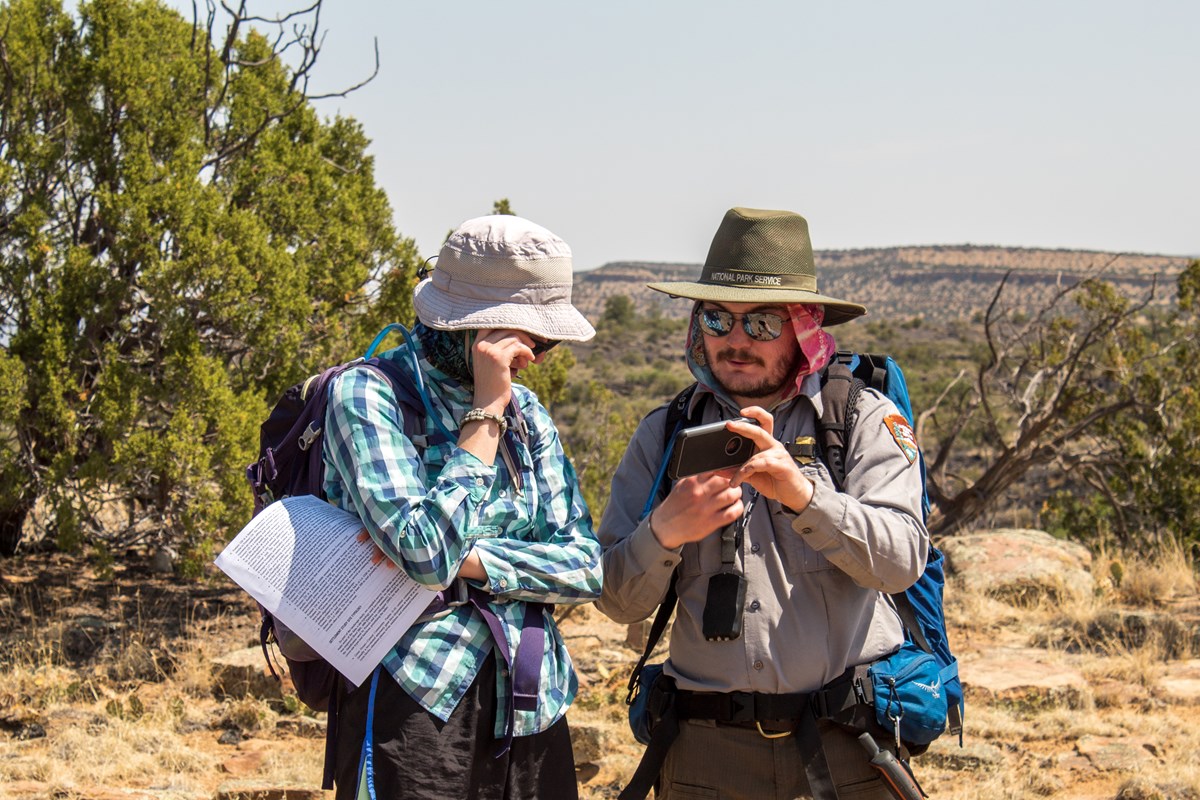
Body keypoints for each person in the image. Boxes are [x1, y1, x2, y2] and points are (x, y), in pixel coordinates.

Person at [597, 207, 929, 799]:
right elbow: (616, 601)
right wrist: (665, 530)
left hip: (844, 744)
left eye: (762, 323)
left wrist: (805, 497)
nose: (735, 340)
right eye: (719, 318)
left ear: (803, 328)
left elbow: (903, 559)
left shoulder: (860, 419)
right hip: (705, 754)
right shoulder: (665, 433)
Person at [322, 214, 603, 800]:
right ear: (474, 329)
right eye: (532, 338)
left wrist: (473, 563)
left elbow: (584, 566)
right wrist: (485, 415)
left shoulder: (529, 413)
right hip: (414, 693)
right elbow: (426, 555)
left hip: (531, 696)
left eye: (546, 341)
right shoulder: (368, 395)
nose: (539, 356)